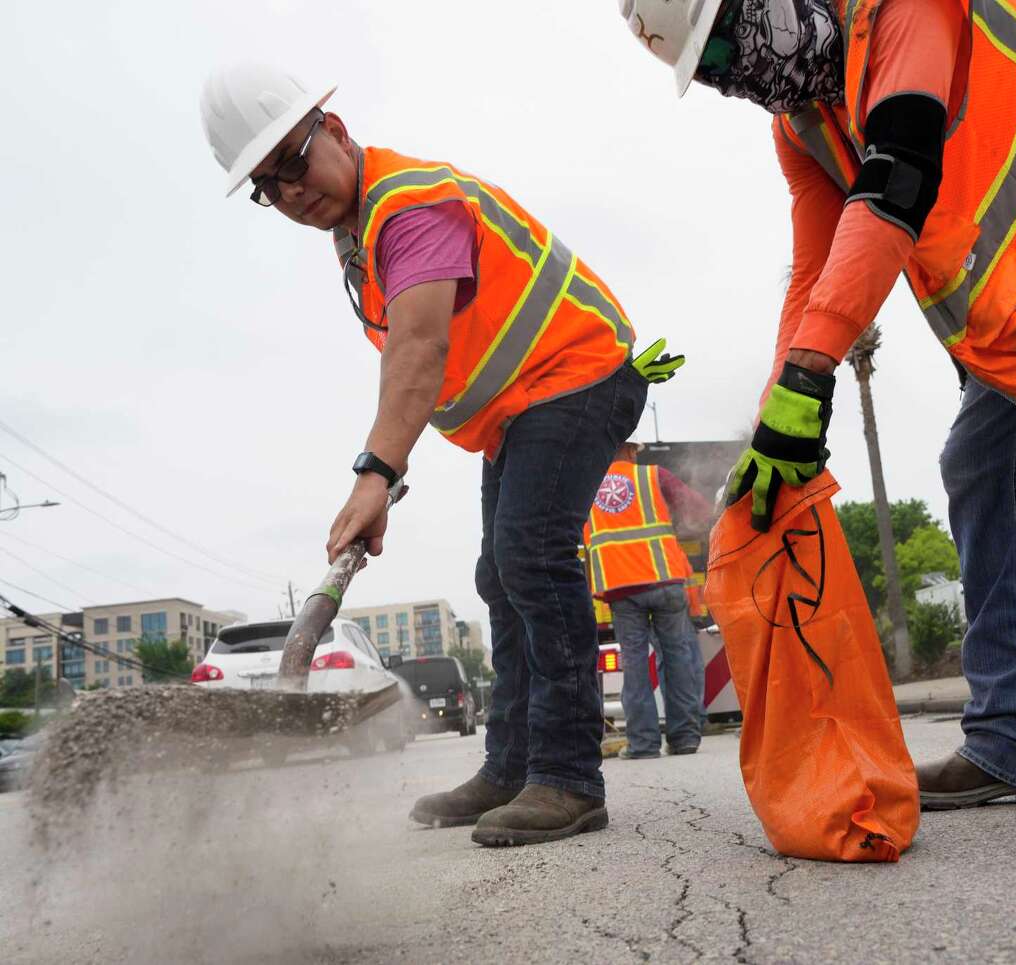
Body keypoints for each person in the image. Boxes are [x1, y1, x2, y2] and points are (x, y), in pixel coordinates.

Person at [620, 0, 1016, 852]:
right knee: (976, 461)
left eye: (732, 39)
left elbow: (900, 172)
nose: (740, 73)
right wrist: (777, 417)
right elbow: (814, 273)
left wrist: (810, 376)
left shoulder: (898, 8)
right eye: (714, 68)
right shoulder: (804, 128)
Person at [200, 64, 683, 847]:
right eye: (266, 185)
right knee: (499, 573)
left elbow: (420, 349)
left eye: (293, 160)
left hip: (581, 374)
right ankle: (511, 764)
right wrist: (387, 478)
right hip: (519, 409)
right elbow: (419, 368)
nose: (290, 190)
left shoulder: (409, 205)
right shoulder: (356, 235)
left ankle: (567, 776)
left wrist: (376, 472)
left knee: (531, 554)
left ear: (335, 129)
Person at [585, 440, 712, 759]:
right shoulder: (654, 476)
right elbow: (697, 509)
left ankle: (643, 743)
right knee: (677, 657)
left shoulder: (585, 485)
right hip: (664, 579)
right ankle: (684, 738)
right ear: (630, 451)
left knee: (636, 664)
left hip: (621, 587)